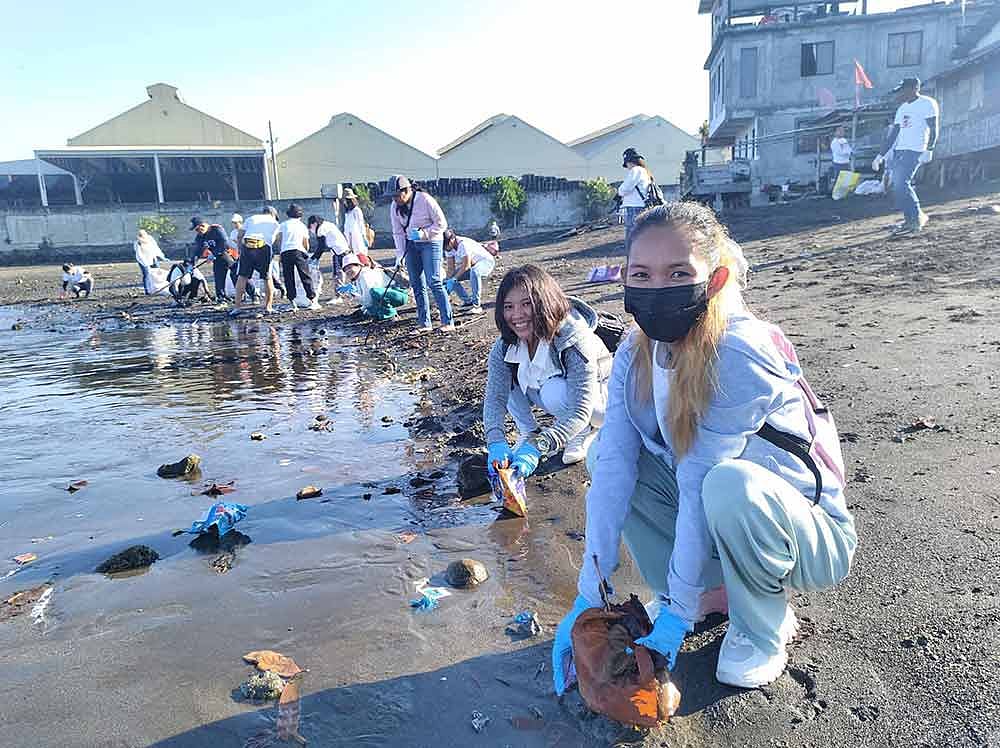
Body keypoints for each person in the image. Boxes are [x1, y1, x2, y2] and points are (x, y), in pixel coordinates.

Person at [551, 203, 857, 697]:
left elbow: (697, 481)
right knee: (602, 459)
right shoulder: (636, 348)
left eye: (678, 273)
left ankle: (764, 624)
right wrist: (590, 596)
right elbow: (613, 469)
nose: (657, 290)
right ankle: (707, 597)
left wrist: (669, 619)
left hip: (807, 534)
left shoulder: (740, 348)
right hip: (718, 509)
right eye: (641, 275)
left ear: (713, 280)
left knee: (725, 483)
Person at [483, 264, 612, 471]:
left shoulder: (574, 338)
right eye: (508, 306)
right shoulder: (506, 345)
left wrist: (540, 446)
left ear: (545, 303)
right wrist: (495, 441)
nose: (517, 315)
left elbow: (580, 409)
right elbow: (495, 397)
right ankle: (529, 431)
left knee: (554, 391)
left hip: (599, 404)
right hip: (555, 395)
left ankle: (584, 431)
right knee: (506, 382)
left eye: (526, 304)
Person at [872, 77, 939, 235]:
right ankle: (910, 219)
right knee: (897, 186)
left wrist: (929, 149)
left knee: (902, 183)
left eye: (903, 90)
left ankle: (916, 219)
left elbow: (934, 128)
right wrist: (880, 155)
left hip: (915, 150)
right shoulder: (902, 109)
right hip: (900, 151)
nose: (900, 94)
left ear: (914, 88)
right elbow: (894, 134)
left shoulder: (927, 103)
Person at [388, 174, 454, 333]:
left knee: (434, 281)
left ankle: (448, 321)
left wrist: (424, 234)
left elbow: (441, 224)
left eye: (397, 195)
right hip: (411, 245)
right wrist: (400, 254)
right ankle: (425, 324)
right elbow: (397, 232)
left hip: (431, 243)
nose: (395, 199)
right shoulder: (394, 206)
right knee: (416, 284)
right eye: (393, 196)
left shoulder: (425, 200)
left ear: (407, 190)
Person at [232, 206, 279, 316]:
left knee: (242, 276)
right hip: (263, 247)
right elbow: (274, 240)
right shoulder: (275, 223)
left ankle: (237, 307)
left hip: (247, 244)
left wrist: (240, 251)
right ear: (273, 214)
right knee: (267, 277)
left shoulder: (251, 218)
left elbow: (240, 235)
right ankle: (268, 307)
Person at [277, 204, 321, 312]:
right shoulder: (301, 226)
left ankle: (292, 303)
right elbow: (305, 243)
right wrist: (305, 251)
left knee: (288, 277)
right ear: (300, 215)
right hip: (298, 251)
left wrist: (281, 251)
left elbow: (279, 240)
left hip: (285, 252)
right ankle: (312, 301)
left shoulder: (283, 225)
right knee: (305, 276)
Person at [340, 253, 408, 320]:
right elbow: (367, 300)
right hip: (389, 294)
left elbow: (368, 301)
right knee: (371, 310)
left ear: (358, 266)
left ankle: (390, 315)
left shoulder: (365, 275)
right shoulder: (358, 278)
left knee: (375, 292)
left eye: (349, 267)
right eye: (345, 269)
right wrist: (363, 310)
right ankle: (382, 314)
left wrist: (353, 294)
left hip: (399, 294)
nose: (347, 271)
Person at [442, 228, 495, 314]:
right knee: (450, 278)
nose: (445, 248)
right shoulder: (449, 248)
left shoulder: (463, 244)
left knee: (475, 272)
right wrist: (447, 282)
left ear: (452, 239)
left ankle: (476, 305)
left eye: (446, 245)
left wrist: (454, 279)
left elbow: (466, 266)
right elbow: (451, 268)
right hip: (472, 265)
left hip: (486, 263)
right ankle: (467, 301)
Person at [191, 217, 237, 302]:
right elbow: (197, 251)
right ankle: (221, 298)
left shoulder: (216, 229)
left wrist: (213, 254)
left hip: (229, 254)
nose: (197, 232)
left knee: (236, 275)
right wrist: (192, 264)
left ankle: (252, 294)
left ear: (202, 225)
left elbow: (224, 243)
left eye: (197, 229)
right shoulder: (200, 237)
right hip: (218, 258)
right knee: (218, 278)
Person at [307, 215, 350, 304]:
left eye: (310, 226)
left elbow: (321, 247)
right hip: (344, 250)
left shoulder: (320, 229)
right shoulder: (328, 224)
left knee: (337, 275)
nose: (311, 229)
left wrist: (313, 258)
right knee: (343, 273)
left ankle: (338, 296)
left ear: (314, 223)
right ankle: (342, 293)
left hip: (339, 252)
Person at [617, 148, 654, 246]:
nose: (627, 167)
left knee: (632, 239)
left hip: (635, 208)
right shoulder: (644, 171)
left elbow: (624, 189)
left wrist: (619, 193)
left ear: (630, 162)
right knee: (640, 236)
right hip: (641, 206)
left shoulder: (636, 170)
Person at [342, 188, 373, 259]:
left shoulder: (356, 210)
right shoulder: (347, 212)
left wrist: (363, 236)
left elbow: (360, 224)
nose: (344, 202)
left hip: (357, 236)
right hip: (349, 236)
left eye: (345, 200)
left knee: (360, 254)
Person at [829, 126, 852, 193]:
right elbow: (840, 152)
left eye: (842, 130)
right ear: (835, 133)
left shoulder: (844, 140)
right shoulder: (834, 142)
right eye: (839, 131)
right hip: (838, 163)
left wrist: (850, 152)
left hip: (846, 162)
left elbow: (848, 148)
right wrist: (848, 152)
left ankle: (844, 193)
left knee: (846, 178)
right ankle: (834, 193)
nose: (842, 132)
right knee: (838, 179)